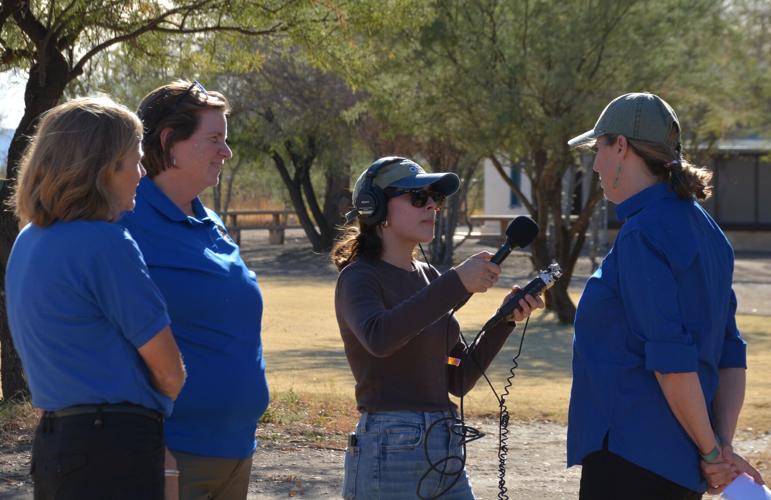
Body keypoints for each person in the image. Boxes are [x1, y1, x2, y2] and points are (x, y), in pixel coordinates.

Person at [566, 92, 766, 499]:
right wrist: (719, 446)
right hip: (677, 467)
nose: (595, 164)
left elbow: (671, 362)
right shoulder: (707, 229)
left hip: (631, 463)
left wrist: (713, 453)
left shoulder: (643, 233)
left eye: (599, 148)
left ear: (620, 146)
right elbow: (730, 352)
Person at [331, 156, 544, 499]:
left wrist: (504, 321)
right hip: (390, 447)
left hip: (445, 447)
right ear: (375, 208)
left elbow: (458, 376)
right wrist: (456, 282)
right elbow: (380, 337)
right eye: (417, 197)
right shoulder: (358, 277)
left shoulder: (430, 278)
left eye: (435, 198)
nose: (431, 205)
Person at [6, 97, 185, 500]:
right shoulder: (106, 242)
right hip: (113, 449)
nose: (141, 173)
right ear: (105, 169)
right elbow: (170, 371)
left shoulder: (28, 240)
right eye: (135, 160)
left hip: (56, 445)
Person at [119, 80, 269, 500]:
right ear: (169, 141)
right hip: (173, 458)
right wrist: (155, 451)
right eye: (215, 139)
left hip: (238, 452)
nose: (227, 151)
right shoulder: (125, 221)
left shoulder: (213, 223)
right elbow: (108, 343)